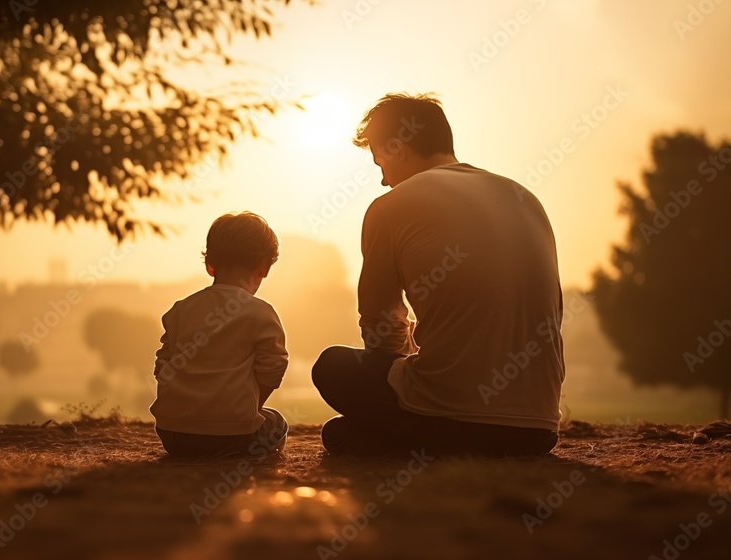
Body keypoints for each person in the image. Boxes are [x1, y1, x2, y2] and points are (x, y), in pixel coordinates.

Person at [312, 93, 565, 456]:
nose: (383, 181)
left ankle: (420, 437)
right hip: (538, 430)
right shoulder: (524, 196)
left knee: (331, 366)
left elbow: (381, 328)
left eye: (380, 164)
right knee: (347, 430)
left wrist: (403, 367)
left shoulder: (388, 207)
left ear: (397, 149)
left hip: (451, 418)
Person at [151, 211, 289, 459]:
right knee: (276, 423)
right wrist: (249, 409)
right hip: (233, 437)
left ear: (210, 265)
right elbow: (274, 368)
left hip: (173, 436)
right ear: (265, 267)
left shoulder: (180, 310)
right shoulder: (261, 313)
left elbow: (162, 366)